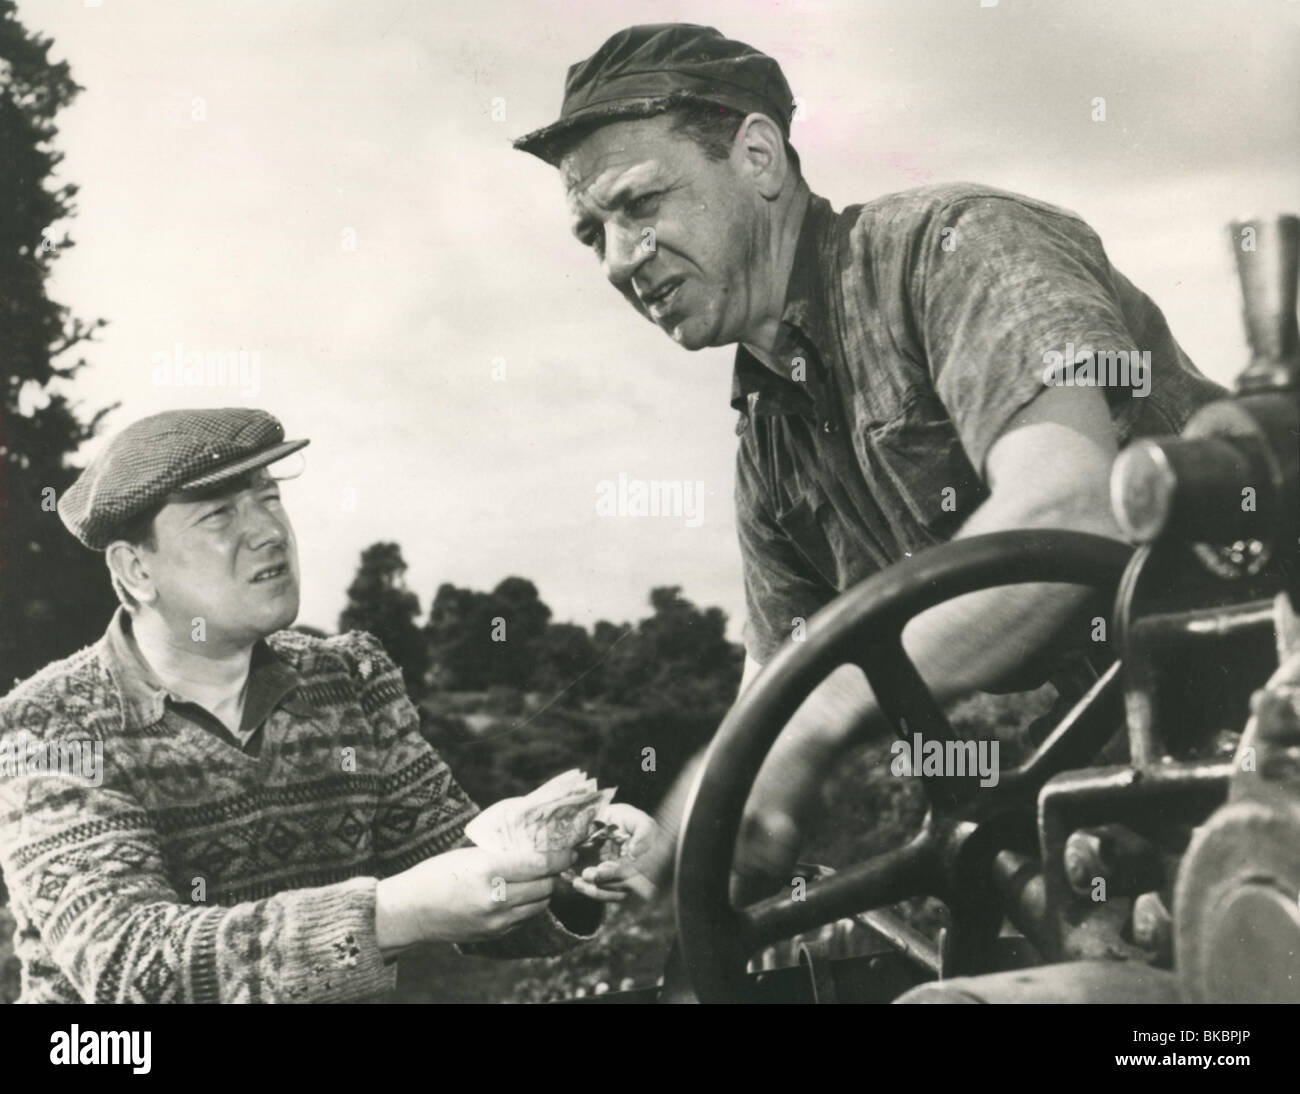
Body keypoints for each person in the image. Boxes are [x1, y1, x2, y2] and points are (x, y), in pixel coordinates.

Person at [513, 23, 1227, 899]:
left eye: (640, 204)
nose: (621, 260)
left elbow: (1073, 509)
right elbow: (774, 683)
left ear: (759, 155)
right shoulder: (769, 441)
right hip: (1143, 789)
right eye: (593, 235)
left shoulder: (953, 249)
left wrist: (815, 717)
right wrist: (686, 831)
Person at [0, 407, 654, 1003]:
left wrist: (572, 861)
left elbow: (458, 874)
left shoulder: (351, 677)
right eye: (219, 515)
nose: (266, 533)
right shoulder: (49, 724)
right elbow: (131, 963)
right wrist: (392, 914)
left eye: (269, 498)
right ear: (136, 570)